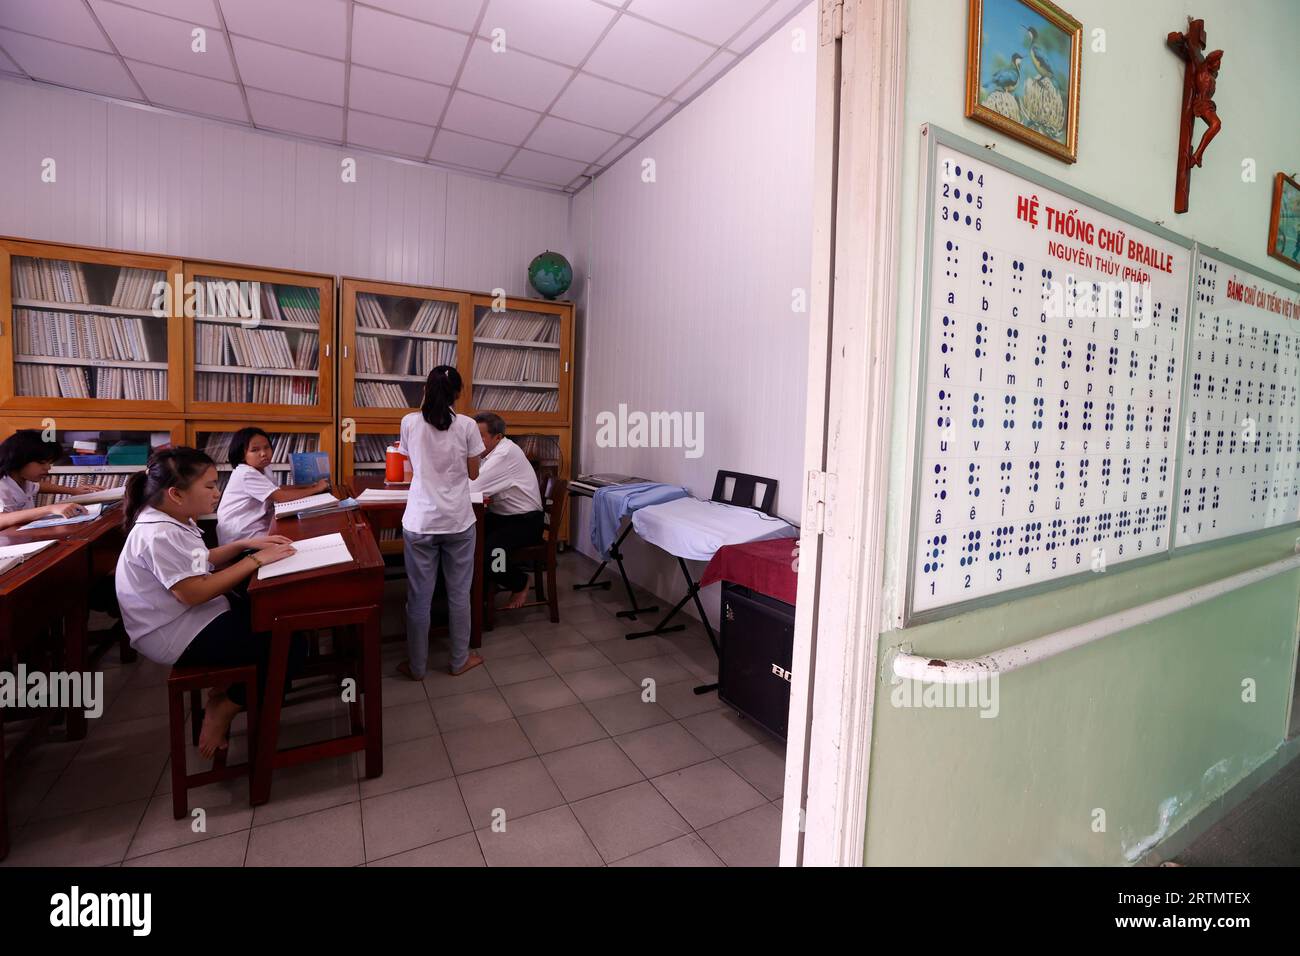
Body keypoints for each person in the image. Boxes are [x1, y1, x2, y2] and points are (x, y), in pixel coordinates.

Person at [115, 447, 297, 757]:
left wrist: (245, 544)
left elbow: (200, 560)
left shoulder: (172, 518)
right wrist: (255, 560)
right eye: (210, 486)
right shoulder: (158, 532)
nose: (217, 493)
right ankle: (225, 706)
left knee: (272, 611)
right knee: (287, 641)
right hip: (176, 634)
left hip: (192, 616)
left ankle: (228, 687)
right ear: (176, 493)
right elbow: (193, 591)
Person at [397, 365, 485, 679]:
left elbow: (410, 463)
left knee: (419, 596)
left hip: (420, 521)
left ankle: (417, 667)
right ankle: (459, 660)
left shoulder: (409, 422)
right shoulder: (468, 426)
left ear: (426, 390)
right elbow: (474, 473)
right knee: (459, 594)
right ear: (458, 393)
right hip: (458, 521)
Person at [468, 413, 544, 609]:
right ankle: (480, 596)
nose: (475, 442)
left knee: (491, 553)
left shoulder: (504, 454)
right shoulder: (488, 453)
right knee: (468, 540)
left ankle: (519, 581)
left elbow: (473, 488)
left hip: (526, 521)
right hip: (504, 517)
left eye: (481, 436)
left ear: (498, 437)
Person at [216, 426, 331, 546]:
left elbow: (278, 488)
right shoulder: (246, 473)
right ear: (242, 455)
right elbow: (280, 496)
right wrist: (316, 489)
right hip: (242, 537)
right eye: (255, 450)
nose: (263, 453)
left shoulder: (263, 467)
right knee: (303, 537)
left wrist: (309, 486)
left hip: (257, 526)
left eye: (266, 447)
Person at [0, 429, 91, 530]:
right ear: (19, 459)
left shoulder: (24, 480)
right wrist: (49, 509)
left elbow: (39, 486)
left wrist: (73, 491)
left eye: (50, 462)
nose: (48, 468)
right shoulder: (2, 484)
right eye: (42, 462)